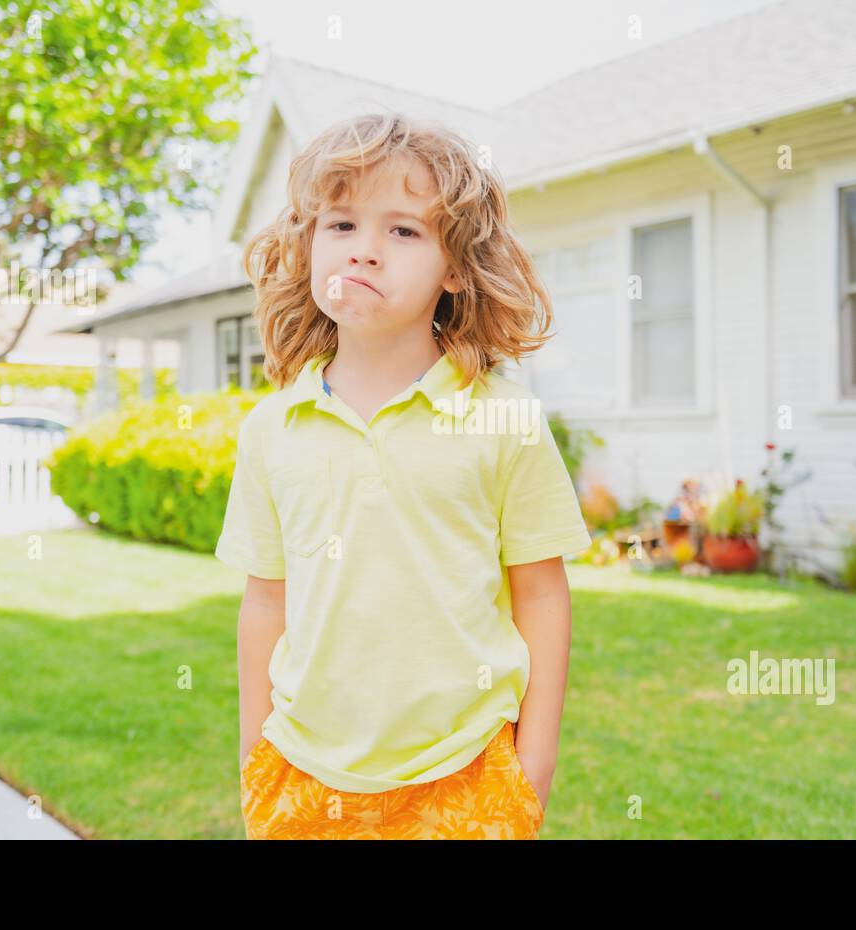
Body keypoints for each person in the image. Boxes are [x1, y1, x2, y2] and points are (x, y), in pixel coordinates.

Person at [216, 112, 591, 839]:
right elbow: (265, 602)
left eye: (403, 231)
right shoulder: (271, 430)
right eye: (342, 225)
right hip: (301, 775)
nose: (365, 252)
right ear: (309, 244)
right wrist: (254, 758)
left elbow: (542, 595)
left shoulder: (505, 418)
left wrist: (534, 765)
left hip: (468, 773)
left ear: (454, 269)